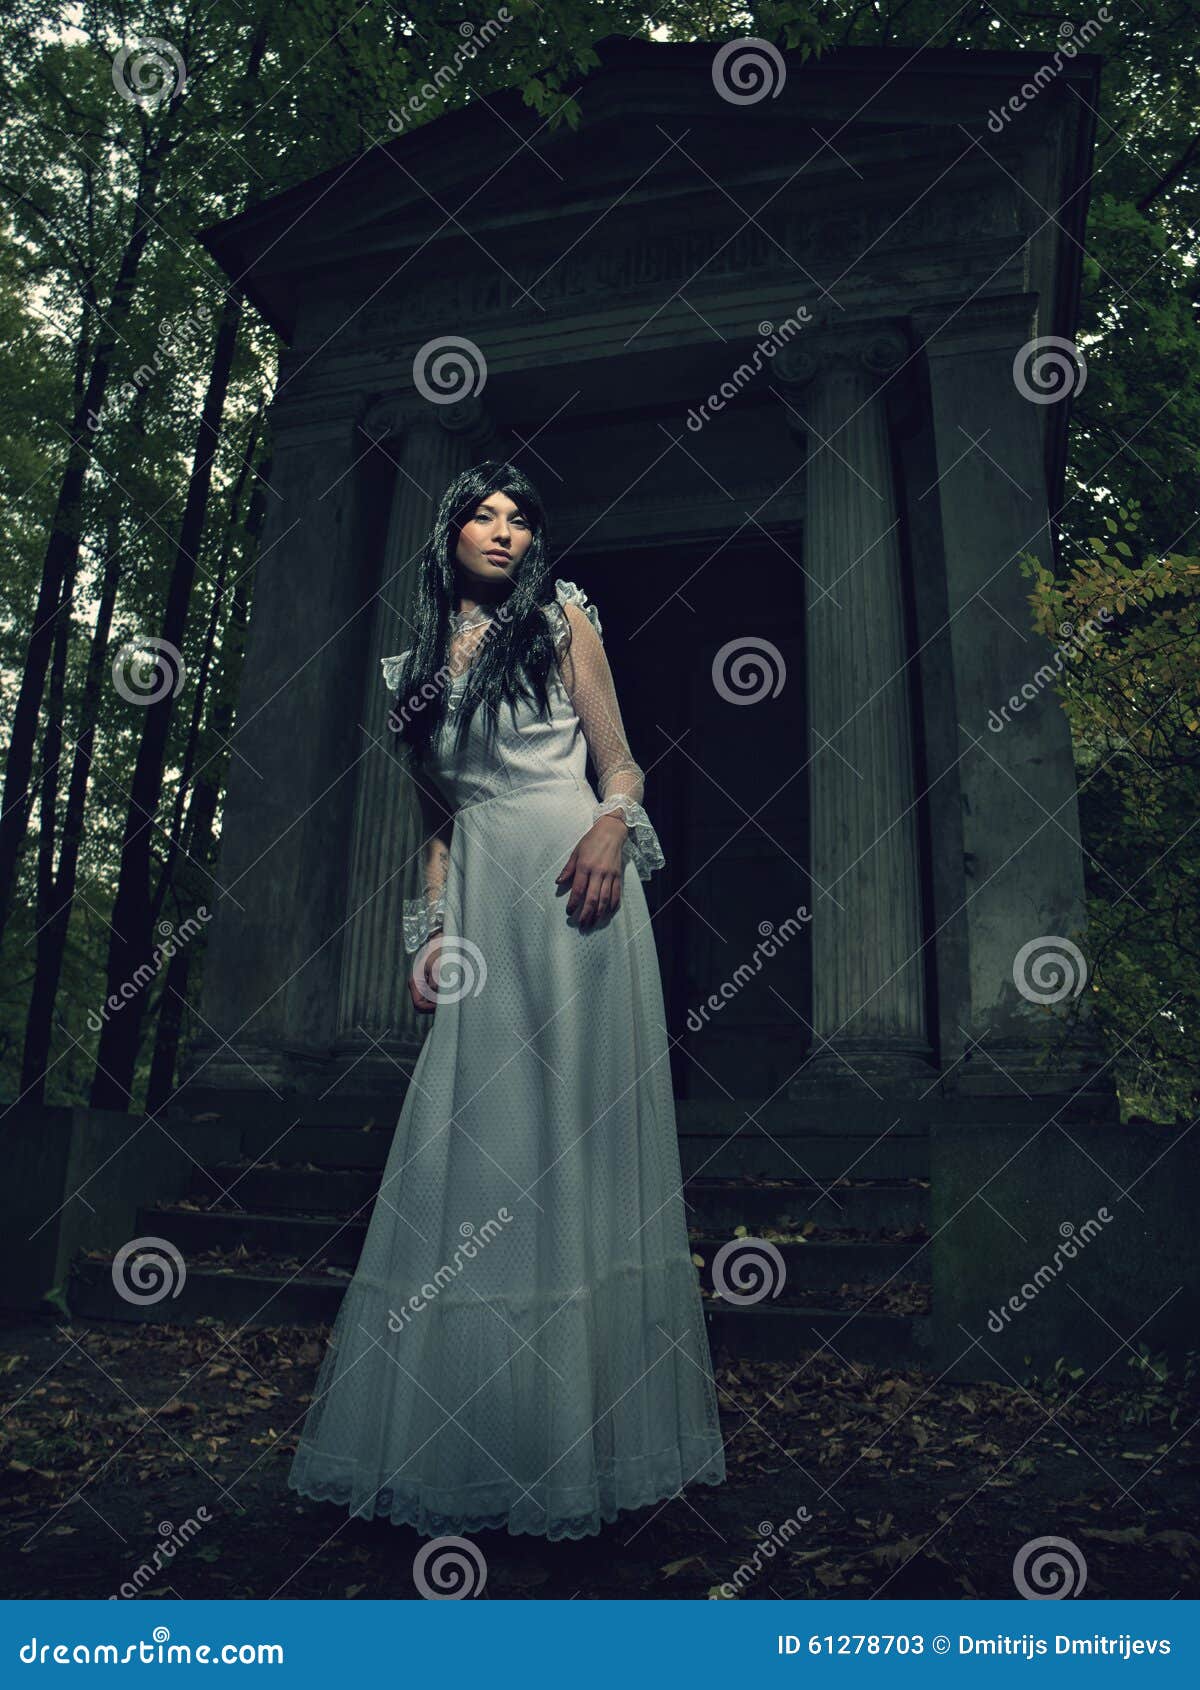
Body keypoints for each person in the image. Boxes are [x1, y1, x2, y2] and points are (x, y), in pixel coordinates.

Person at [287, 460, 726, 1542]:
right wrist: (429, 934)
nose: (503, 531)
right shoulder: (414, 673)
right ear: (447, 538)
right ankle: (476, 1432)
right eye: (482, 515)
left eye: (521, 518)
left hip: (579, 899)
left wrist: (611, 833)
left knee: (576, 1138)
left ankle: (590, 1441)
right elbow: (436, 820)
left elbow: (620, 765)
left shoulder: (564, 620)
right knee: (477, 1148)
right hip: (483, 914)